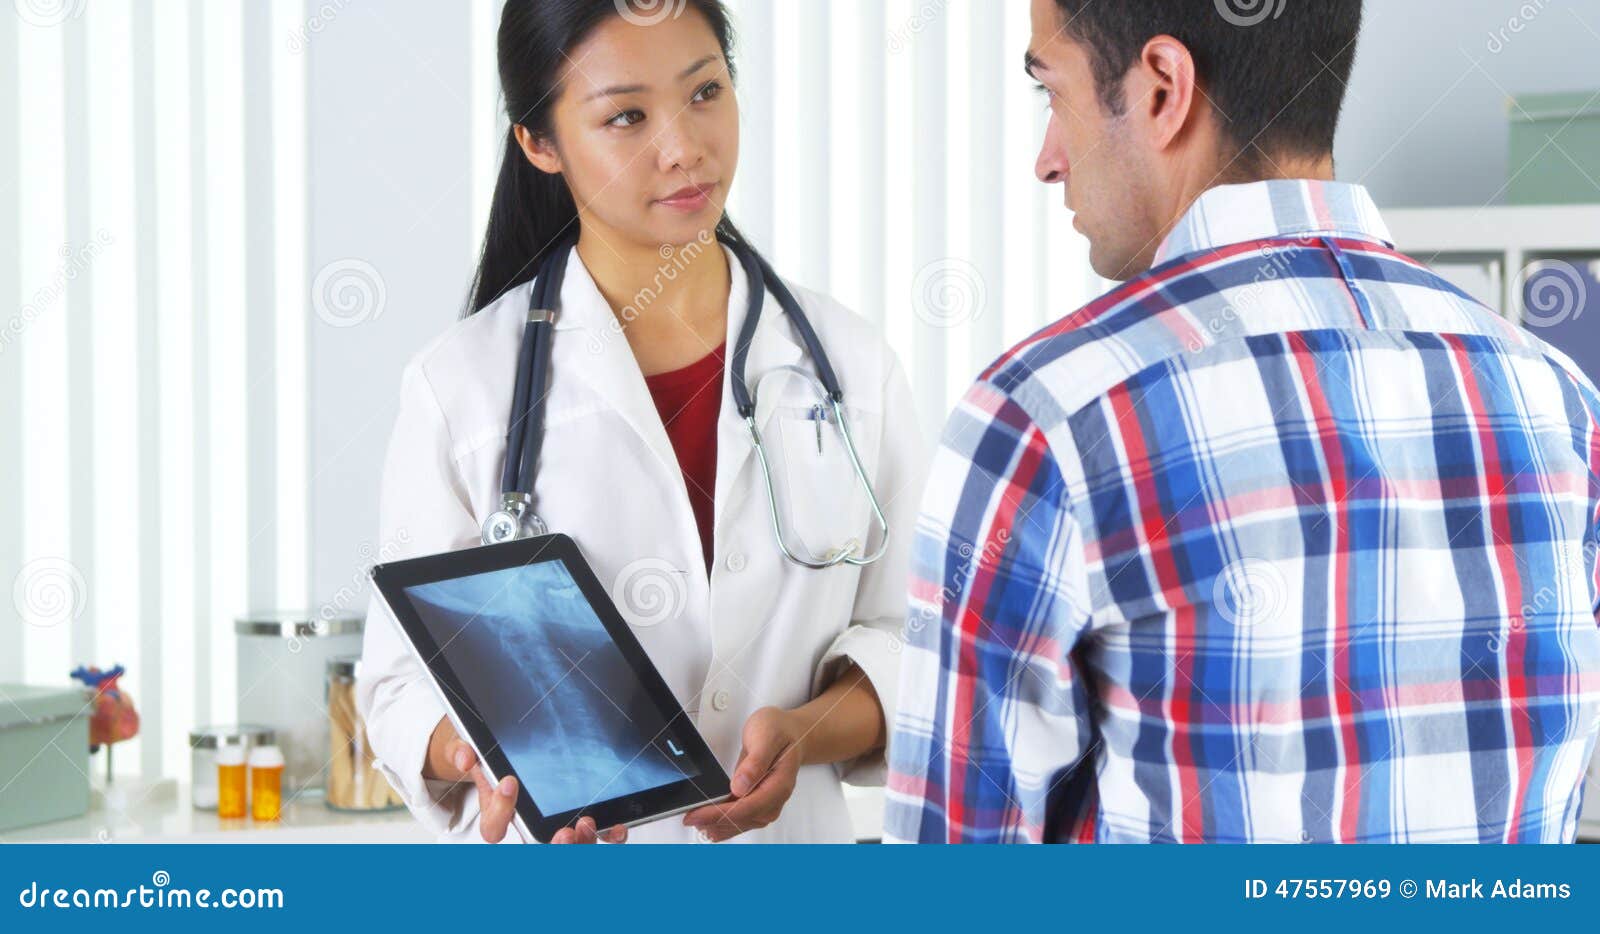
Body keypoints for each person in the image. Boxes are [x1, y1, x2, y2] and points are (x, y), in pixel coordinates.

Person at [887, 0, 1600, 843]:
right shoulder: (1560, 398)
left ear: (1162, 89)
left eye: (1052, 92)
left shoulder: (1046, 418)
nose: (1048, 161)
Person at [357, 0, 923, 844]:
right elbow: (399, 687)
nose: (683, 146)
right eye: (627, 116)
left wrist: (805, 731)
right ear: (540, 145)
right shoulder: (461, 387)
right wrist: (475, 756)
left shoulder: (848, 364)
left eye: (704, 93)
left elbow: (917, 642)